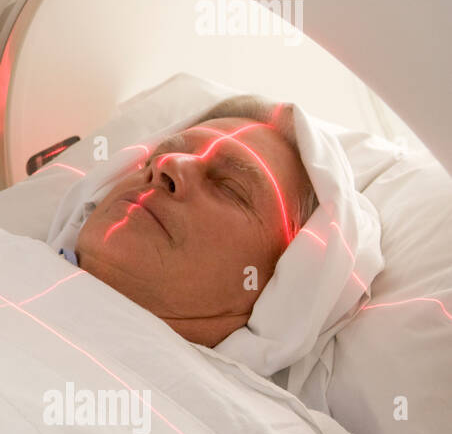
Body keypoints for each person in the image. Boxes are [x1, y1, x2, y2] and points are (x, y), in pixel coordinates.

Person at [68, 96, 318, 348]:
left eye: (229, 187)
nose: (165, 164)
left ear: (279, 278)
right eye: (159, 156)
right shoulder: (28, 260)